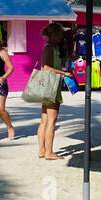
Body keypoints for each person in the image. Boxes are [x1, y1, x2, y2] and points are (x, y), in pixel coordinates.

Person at [36, 23, 67, 161]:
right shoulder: (49, 48)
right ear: (53, 34)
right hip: (51, 86)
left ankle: (42, 150)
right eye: (60, 33)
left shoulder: (52, 48)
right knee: (51, 121)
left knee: (44, 120)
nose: (61, 36)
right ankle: (49, 152)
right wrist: (63, 73)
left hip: (47, 86)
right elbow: (46, 67)